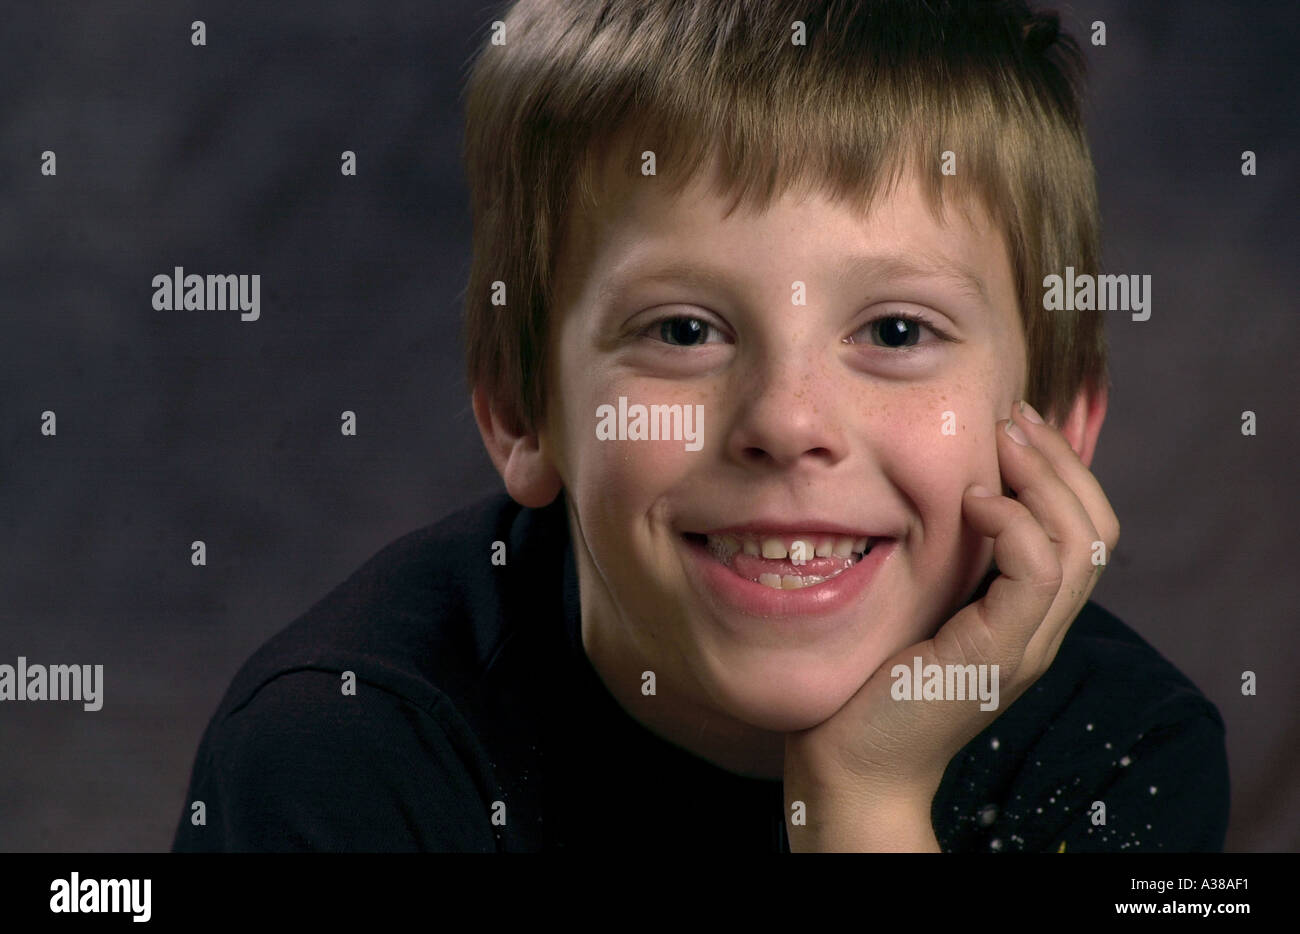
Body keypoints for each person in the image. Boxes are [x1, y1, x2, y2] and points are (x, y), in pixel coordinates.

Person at [173, 0, 1228, 852]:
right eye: (683, 330)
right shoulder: (346, 750)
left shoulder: (1121, 754)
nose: (785, 421)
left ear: (1056, 422)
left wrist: (861, 804)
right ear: (518, 411)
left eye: (896, 329)